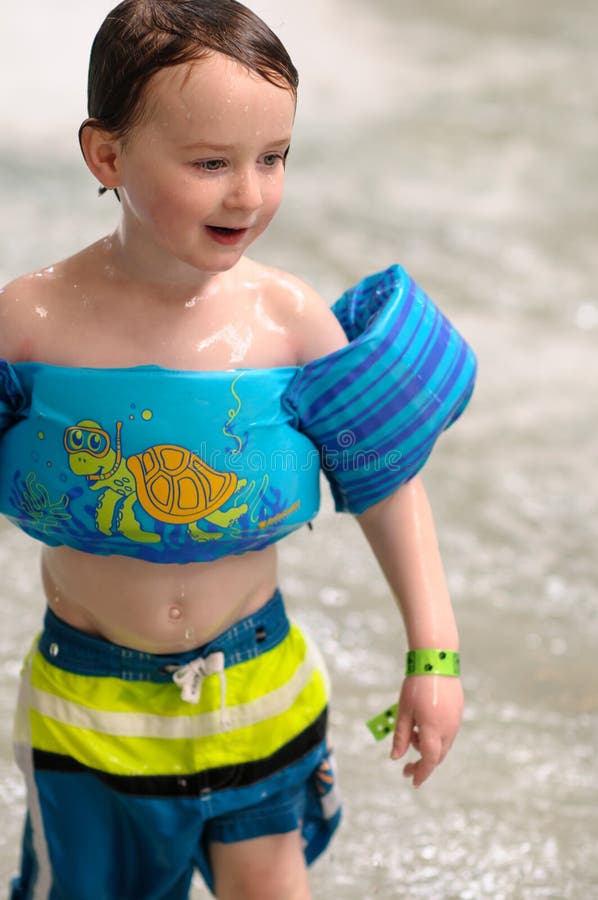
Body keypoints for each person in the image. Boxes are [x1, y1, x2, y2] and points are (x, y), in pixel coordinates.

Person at [0, 1, 476, 897]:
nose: (249, 194)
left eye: (273, 157)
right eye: (210, 163)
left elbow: (386, 484)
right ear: (106, 156)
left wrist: (434, 655)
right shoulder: (31, 322)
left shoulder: (289, 322)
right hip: (89, 703)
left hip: (257, 685)